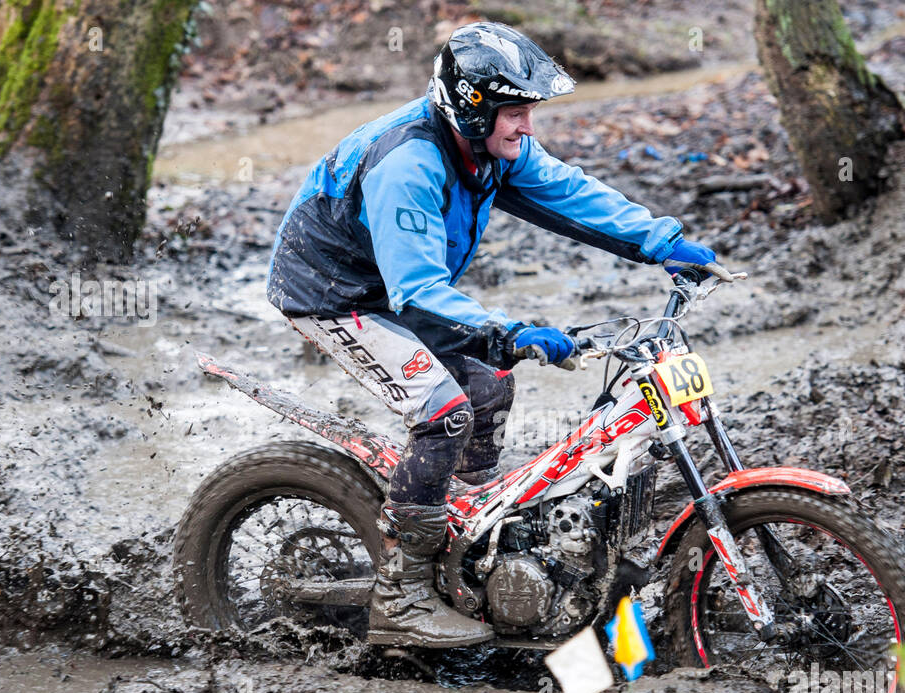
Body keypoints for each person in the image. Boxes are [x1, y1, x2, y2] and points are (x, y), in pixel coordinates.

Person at [266, 21, 719, 648]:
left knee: (490, 386)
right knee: (445, 411)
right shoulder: (408, 165)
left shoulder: (488, 147)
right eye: (514, 111)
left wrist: (664, 244)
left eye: (529, 109)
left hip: (404, 285)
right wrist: (512, 332)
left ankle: (467, 540)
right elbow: (418, 292)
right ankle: (402, 594)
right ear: (472, 108)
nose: (526, 125)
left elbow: (571, 194)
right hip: (336, 295)